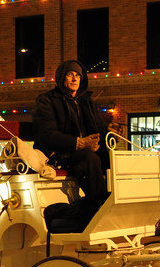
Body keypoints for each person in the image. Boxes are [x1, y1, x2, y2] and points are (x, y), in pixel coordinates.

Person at [33, 60, 111, 205]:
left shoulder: (86, 102)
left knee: (110, 157)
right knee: (90, 159)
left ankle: (115, 201)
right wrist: (78, 143)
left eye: (78, 76)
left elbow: (99, 129)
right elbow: (45, 135)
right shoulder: (47, 100)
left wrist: (110, 134)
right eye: (70, 74)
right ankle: (99, 205)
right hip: (59, 155)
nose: (75, 79)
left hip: (83, 153)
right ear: (61, 77)